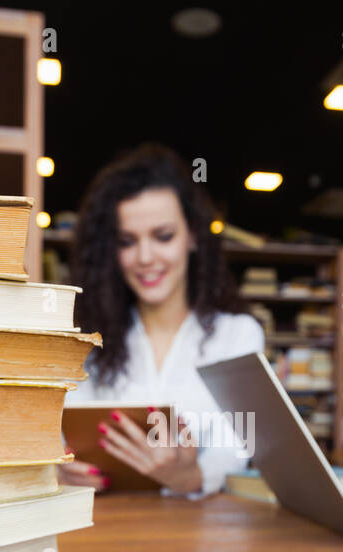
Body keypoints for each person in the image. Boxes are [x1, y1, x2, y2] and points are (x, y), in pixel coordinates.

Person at [60, 143, 264, 496]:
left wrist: (195, 477)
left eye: (163, 236)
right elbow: (63, 437)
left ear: (193, 236)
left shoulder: (238, 336)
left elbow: (238, 444)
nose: (145, 257)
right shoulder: (85, 339)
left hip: (203, 530)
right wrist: (61, 471)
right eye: (126, 241)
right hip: (104, 525)